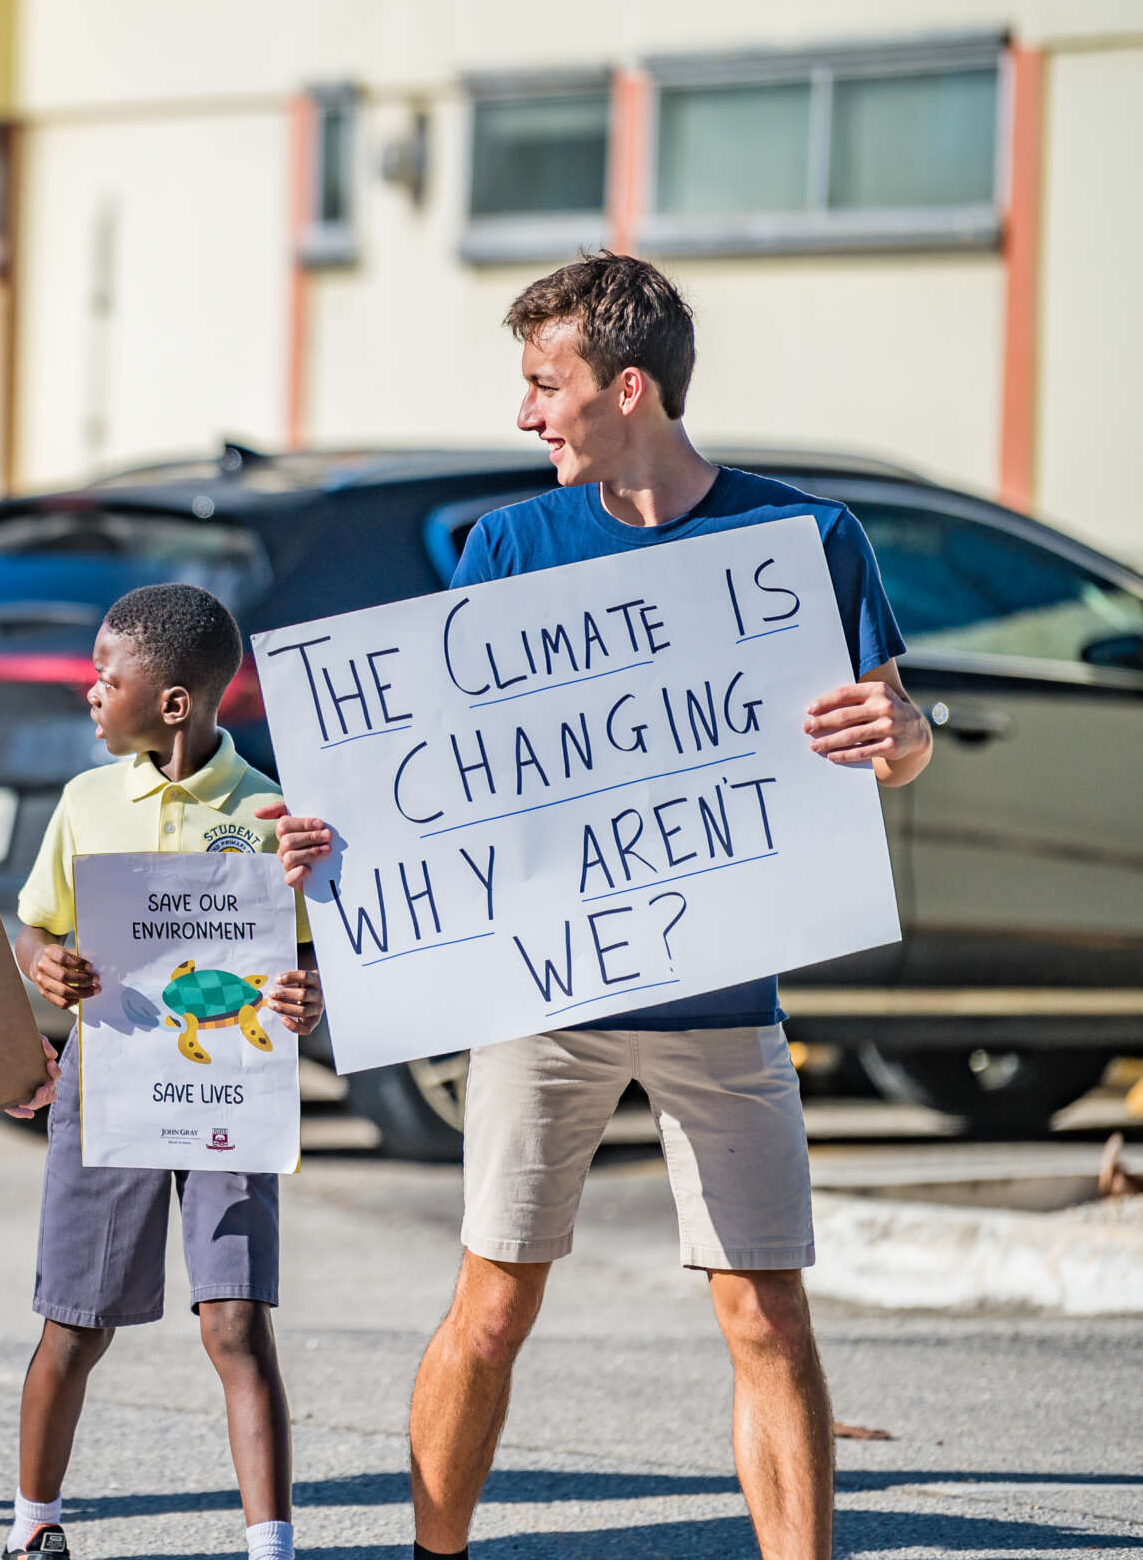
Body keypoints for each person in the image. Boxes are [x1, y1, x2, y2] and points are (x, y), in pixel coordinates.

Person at [264, 252, 933, 1560]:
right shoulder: (507, 545)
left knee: (765, 1312)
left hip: (724, 991)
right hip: (544, 990)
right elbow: (440, 766)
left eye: (542, 382)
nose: (526, 414)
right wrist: (332, 833)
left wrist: (903, 731)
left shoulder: (802, 542)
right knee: (494, 1301)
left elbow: (891, 737)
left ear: (628, 387)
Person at [1, 584, 326, 1560]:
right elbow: (36, 925)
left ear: (173, 701)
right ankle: (32, 1523)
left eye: (109, 676)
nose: (89, 691)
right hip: (109, 1090)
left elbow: (304, 959)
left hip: (231, 1089)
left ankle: (270, 1542)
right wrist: (42, 961)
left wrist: (305, 998)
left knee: (235, 1319)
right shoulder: (85, 801)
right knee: (73, 1321)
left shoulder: (272, 813)